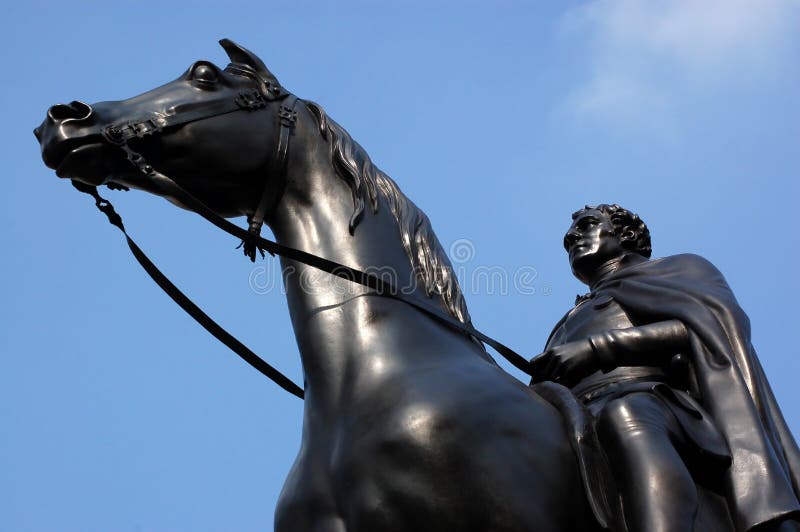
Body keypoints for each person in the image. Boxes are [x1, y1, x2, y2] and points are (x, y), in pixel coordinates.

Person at [530, 204, 800, 532]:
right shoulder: (567, 320)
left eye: (587, 225)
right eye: (571, 233)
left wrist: (596, 348)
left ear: (625, 234)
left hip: (662, 407)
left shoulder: (681, 269)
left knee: (627, 414)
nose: (572, 236)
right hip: (577, 413)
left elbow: (713, 326)